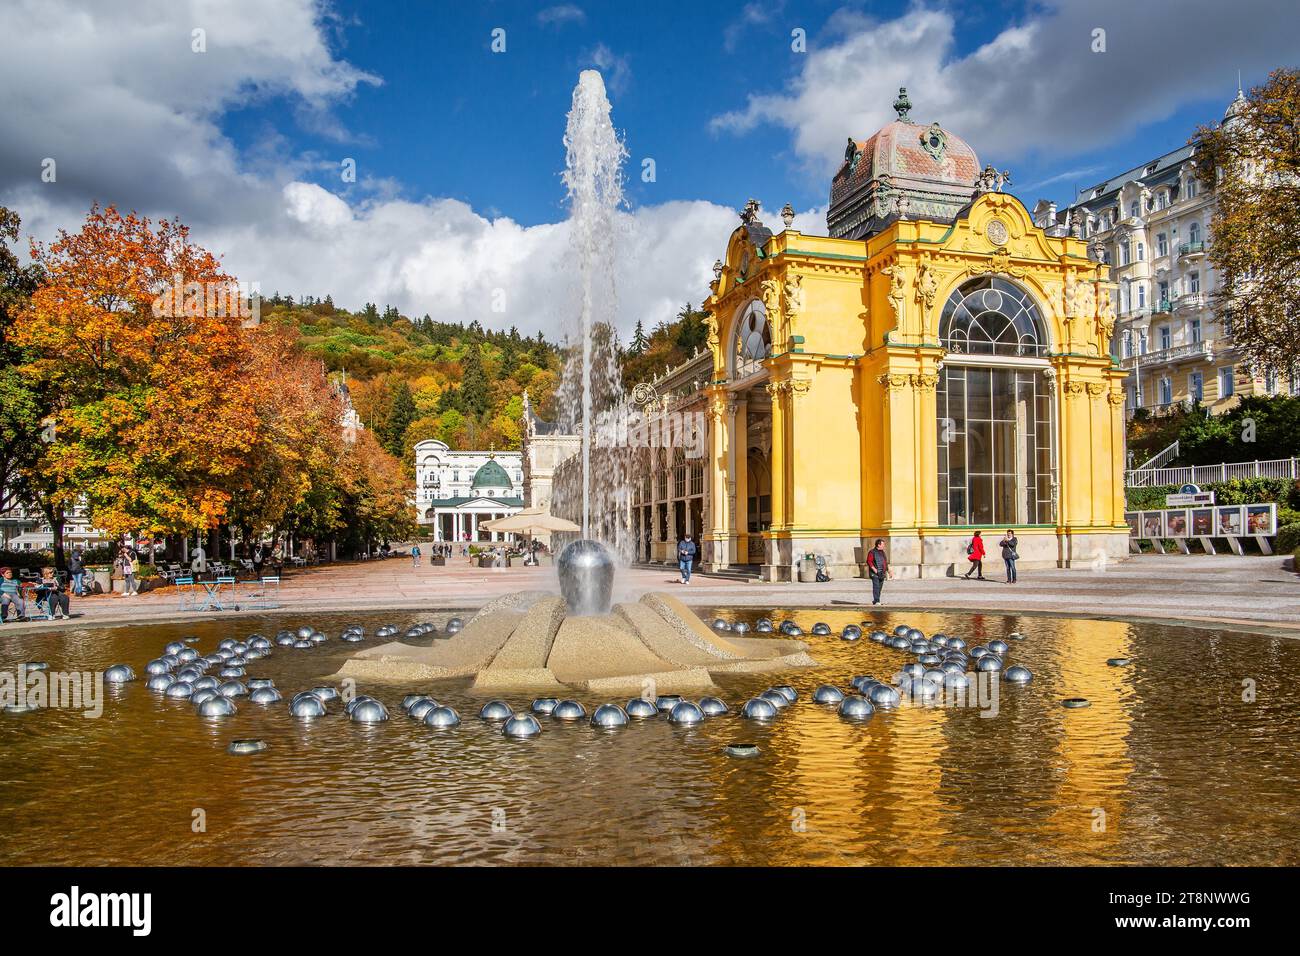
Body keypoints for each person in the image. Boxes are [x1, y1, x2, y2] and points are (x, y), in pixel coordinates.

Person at [866, 538, 889, 605]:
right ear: (878, 545)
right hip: (875, 573)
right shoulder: (872, 552)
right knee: (876, 586)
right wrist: (874, 569)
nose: (884, 546)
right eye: (883, 544)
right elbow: (869, 561)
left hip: (882, 573)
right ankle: (877, 601)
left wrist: (888, 570)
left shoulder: (882, 552)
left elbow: (885, 562)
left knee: (879, 588)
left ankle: (875, 600)